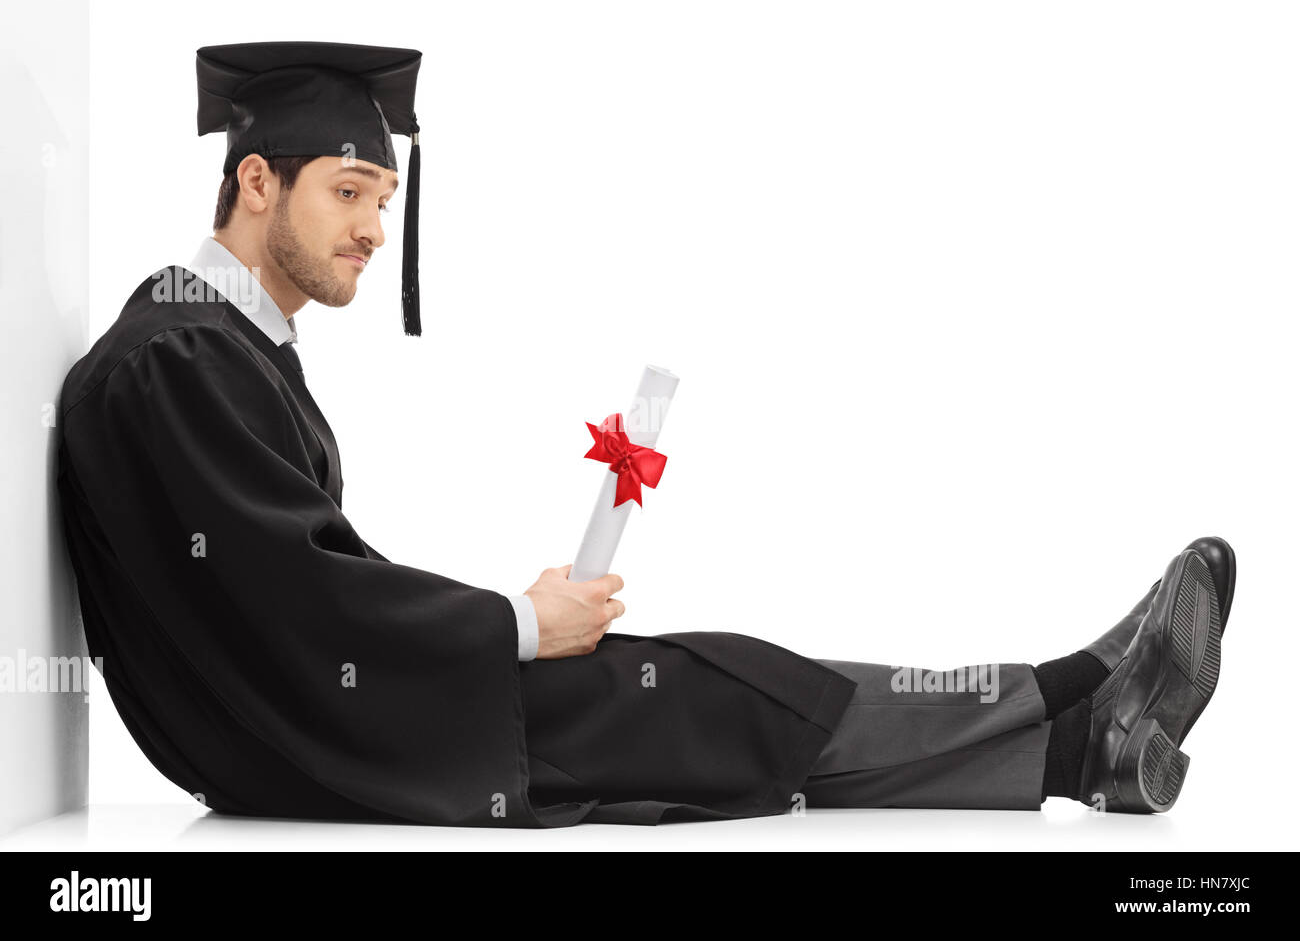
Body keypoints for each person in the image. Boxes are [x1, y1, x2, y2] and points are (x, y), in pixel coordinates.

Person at [54, 41, 1234, 827]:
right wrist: (512, 625)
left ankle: (1082, 745)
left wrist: (502, 623)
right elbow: (285, 597)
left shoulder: (211, 345)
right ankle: (1076, 691)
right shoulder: (176, 351)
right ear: (256, 181)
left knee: (722, 719)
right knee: (722, 686)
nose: (371, 227)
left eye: (382, 199)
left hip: (337, 725)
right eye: (348, 192)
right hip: (339, 739)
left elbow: (293, 582)